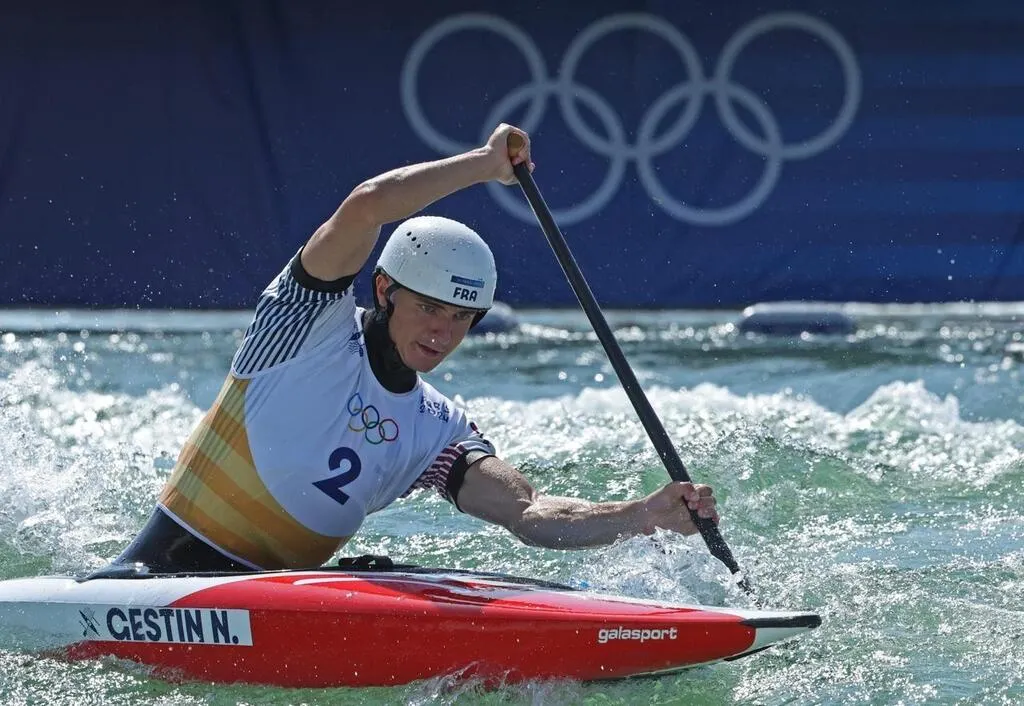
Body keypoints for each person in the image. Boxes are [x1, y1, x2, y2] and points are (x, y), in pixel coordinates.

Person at [114, 123, 719, 573]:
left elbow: (529, 512)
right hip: (157, 577)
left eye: (462, 318)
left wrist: (641, 514)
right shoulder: (303, 325)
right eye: (429, 307)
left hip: (286, 599)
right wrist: (484, 165)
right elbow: (367, 206)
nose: (442, 333)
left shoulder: (438, 430)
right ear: (384, 289)